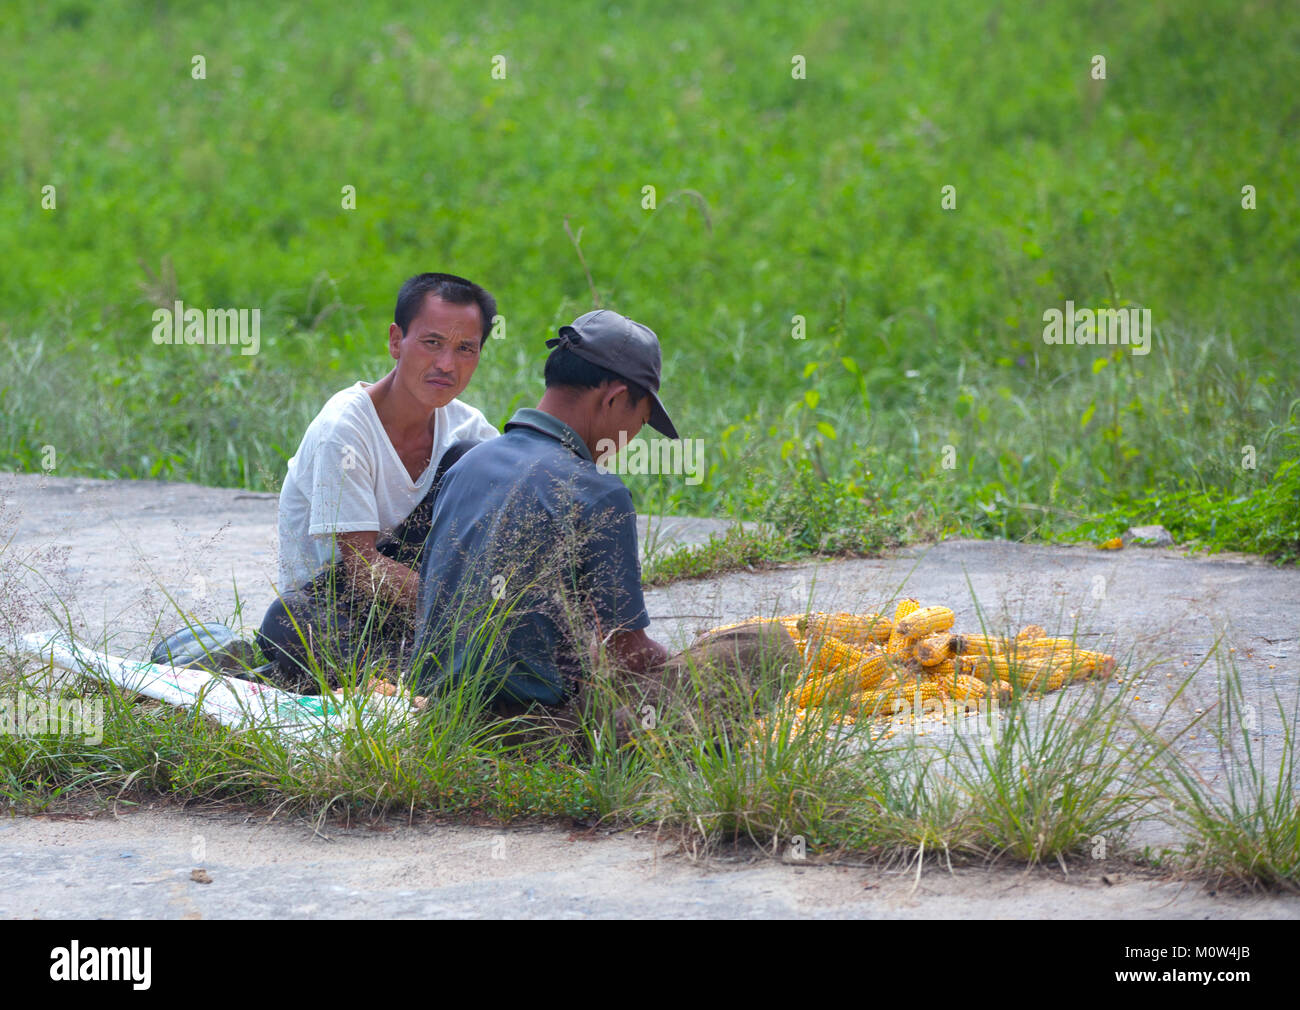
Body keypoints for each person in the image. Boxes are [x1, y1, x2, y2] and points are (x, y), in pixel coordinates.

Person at [409, 309, 800, 748]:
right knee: (766, 647)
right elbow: (627, 654)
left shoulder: (466, 462)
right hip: (535, 735)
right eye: (640, 420)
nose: (632, 437)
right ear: (614, 399)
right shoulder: (594, 491)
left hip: (442, 721)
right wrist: (672, 655)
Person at [256, 273, 500, 690]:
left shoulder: (467, 427)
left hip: (420, 609)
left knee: (476, 460)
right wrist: (459, 612)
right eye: (432, 342)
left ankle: (411, 670)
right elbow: (360, 566)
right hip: (338, 606)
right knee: (288, 621)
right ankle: (413, 672)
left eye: (465, 349)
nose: (446, 364)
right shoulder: (344, 428)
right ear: (395, 341)